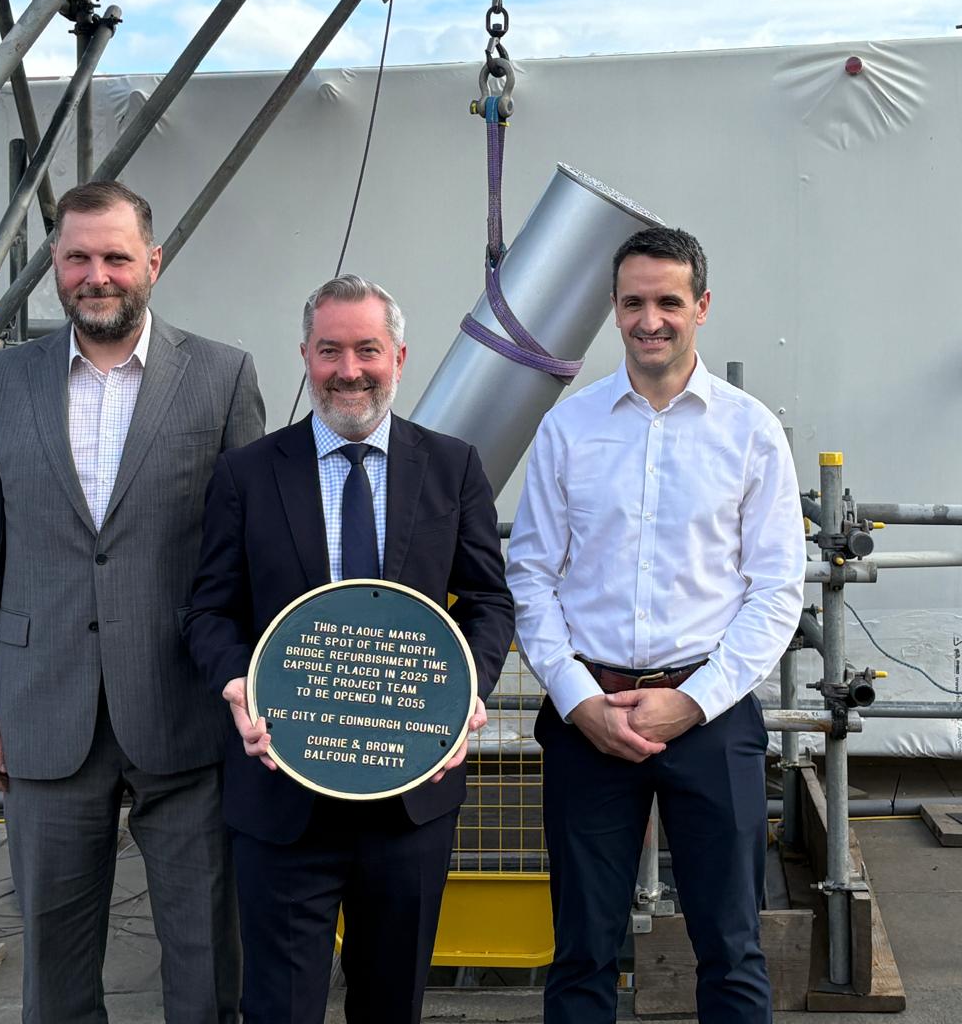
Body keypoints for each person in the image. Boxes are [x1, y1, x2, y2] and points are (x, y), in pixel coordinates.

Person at [0, 179, 263, 1024]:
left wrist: (256, 687)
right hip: (41, 709)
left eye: (117, 256)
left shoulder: (223, 377)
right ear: (54, 262)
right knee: (53, 957)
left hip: (186, 707)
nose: (98, 274)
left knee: (205, 953)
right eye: (79, 256)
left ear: (152, 263)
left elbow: (250, 556)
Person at [181, 274, 514, 1024]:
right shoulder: (248, 474)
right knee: (279, 1008)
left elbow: (489, 600)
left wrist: (467, 689)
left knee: (391, 1005)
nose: (349, 369)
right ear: (304, 355)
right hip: (281, 791)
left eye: (368, 349)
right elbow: (208, 609)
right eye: (330, 350)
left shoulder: (453, 467)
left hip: (411, 797)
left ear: (399, 354)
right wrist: (237, 681)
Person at [507, 226, 806, 1024]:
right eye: (634, 301)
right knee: (581, 952)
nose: (651, 319)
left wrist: (696, 701)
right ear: (613, 309)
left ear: (701, 307)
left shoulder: (750, 432)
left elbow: (777, 589)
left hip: (709, 717)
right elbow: (530, 576)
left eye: (669, 301)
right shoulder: (569, 430)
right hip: (588, 718)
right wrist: (576, 699)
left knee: (732, 947)